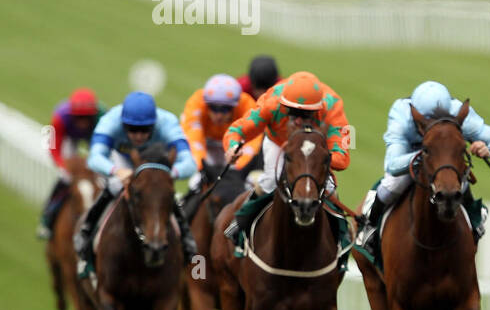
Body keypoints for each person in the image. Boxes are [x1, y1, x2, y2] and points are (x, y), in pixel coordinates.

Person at [358, 81, 490, 255]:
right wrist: (426, 155)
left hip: (444, 159)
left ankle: (475, 221)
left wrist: (489, 150)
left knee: (456, 184)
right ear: (416, 118)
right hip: (413, 157)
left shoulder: (459, 113)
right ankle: (369, 226)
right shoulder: (401, 115)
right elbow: (392, 165)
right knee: (392, 185)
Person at [221, 70, 351, 253]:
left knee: (328, 188)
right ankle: (240, 223)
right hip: (279, 143)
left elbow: (343, 157)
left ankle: (342, 237)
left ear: (318, 109)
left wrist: (317, 159)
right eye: (293, 112)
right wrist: (232, 146)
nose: (298, 120)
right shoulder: (271, 101)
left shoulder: (333, 107)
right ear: (283, 105)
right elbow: (238, 129)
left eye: (306, 115)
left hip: (315, 150)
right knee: (270, 181)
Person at [75, 91, 198, 273]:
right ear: (123, 124)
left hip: (155, 166)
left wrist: (168, 175)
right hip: (123, 163)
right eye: (132, 129)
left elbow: (190, 162)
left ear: (154, 124)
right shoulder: (110, 121)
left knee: (159, 193)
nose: (138, 136)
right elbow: (94, 158)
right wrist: (115, 171)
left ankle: (187, 239)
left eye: (145, 130)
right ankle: (87, 231)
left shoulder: (167, 122)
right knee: (114, 185)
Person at [178, 74, 261, 217]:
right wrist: (203, 168)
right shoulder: (196, 103)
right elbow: (194, 140)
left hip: (234, 151)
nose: (218, 115)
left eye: (225, 109)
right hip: (207, 149)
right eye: (213, 108)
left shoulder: (247, 105)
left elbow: (253, 142)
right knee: (196, 182)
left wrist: (237, 170)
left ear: (235, 106)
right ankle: (184, 218)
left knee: (249, 185)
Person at [37, 87, 103, 239]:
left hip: (94, 137)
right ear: (72, 114)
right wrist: (63, 166)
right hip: (69, 138)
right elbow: (53, 146)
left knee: (101, 178)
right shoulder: (60, 117)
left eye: (87, 118)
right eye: (79, 118)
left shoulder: (102, 117)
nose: (83, 122)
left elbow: (102, 148)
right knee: (64, 178)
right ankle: (47, 217)